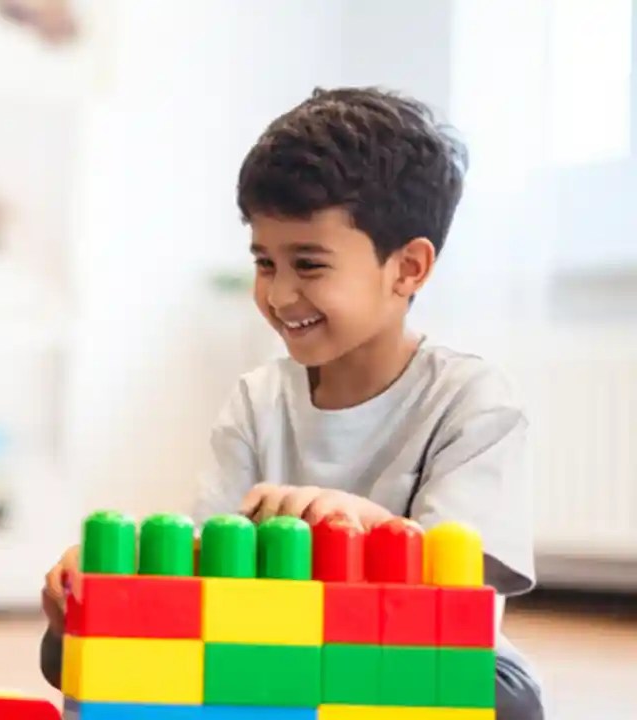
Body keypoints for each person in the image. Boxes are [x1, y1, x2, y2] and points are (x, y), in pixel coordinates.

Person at [37, 87, 545, 719]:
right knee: (68, 652)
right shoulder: (258, 399)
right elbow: (204, 555)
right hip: (275, 644)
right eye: (263, 262)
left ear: (408, 268)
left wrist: (359, 524)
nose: (279, 296)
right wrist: (107, 582)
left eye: (308, 265)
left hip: (412, 654)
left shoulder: (472, 401)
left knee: (506, 700)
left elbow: (460, 581)